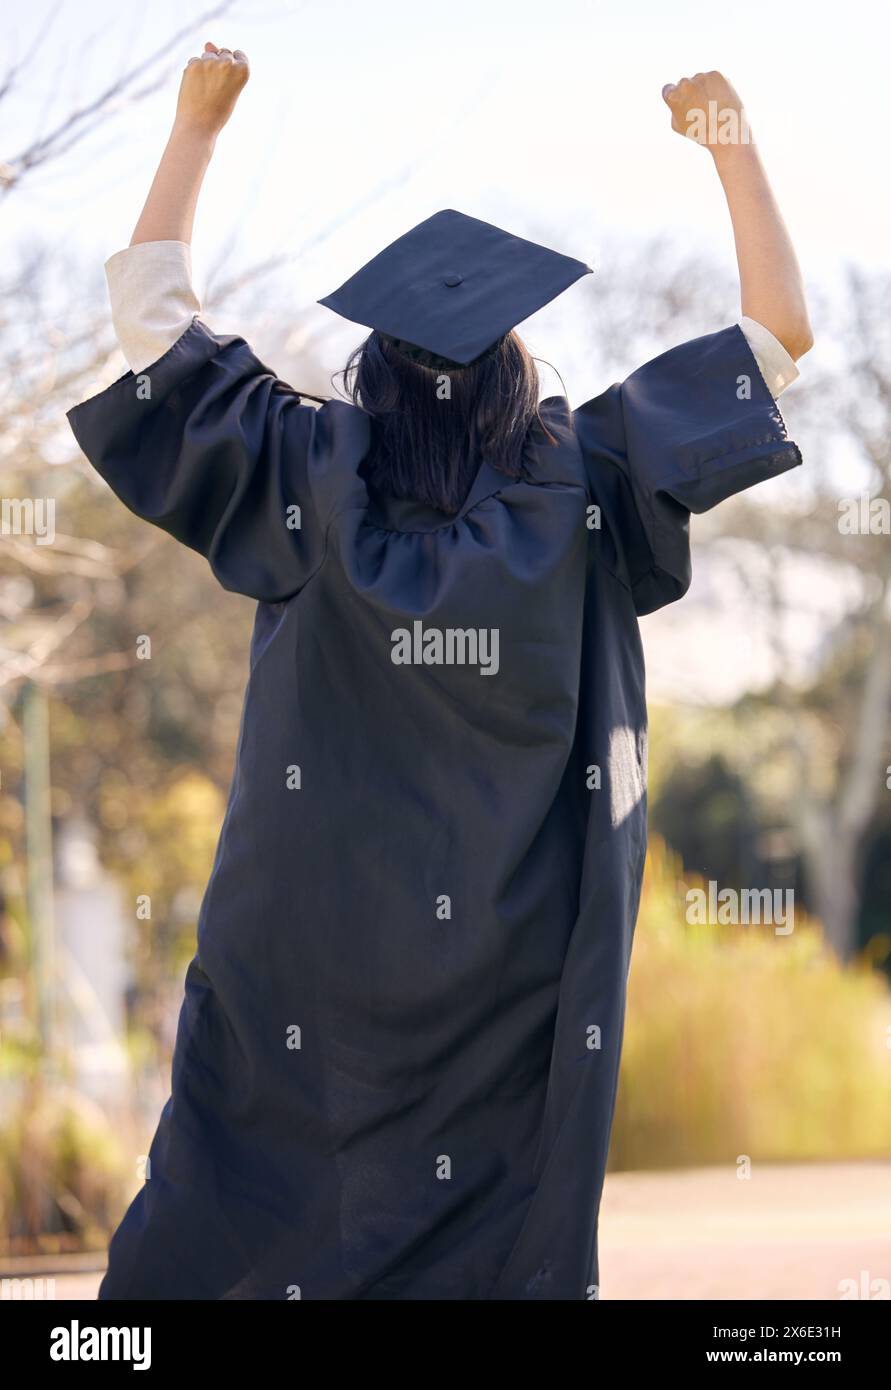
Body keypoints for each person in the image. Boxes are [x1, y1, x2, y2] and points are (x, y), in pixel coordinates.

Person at [67, 45, 812, 1300]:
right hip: (513, 979)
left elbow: (153, 316)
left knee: (252, 1186)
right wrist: (730, 139)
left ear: (372, 371)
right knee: (491, 1225)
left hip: (301, 962)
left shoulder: (308, 468)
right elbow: (779, 333)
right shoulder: (592, 476)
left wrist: (197, 124)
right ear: (520, 368)